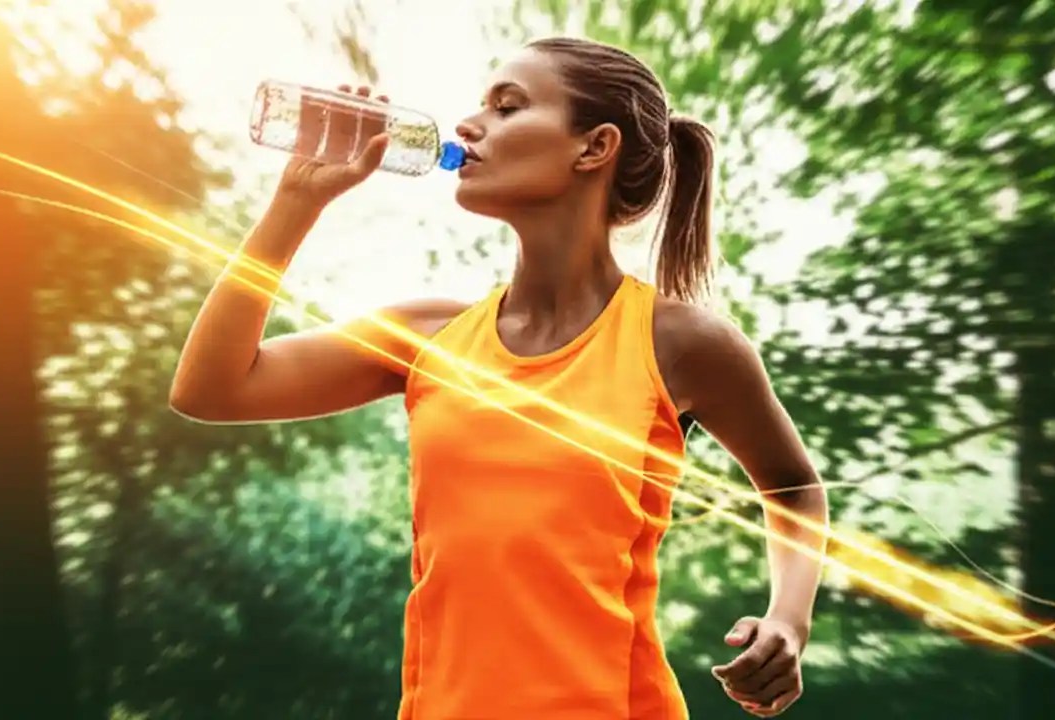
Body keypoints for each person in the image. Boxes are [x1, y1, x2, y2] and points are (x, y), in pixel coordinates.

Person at [171, 36, 828, 720]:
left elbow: (795, 488)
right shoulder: (426, 335)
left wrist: (789, 620)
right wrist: (294, 205)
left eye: (507, 107)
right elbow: (212, 389)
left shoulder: (680, 342)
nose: (466, 125)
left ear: (593, 147)